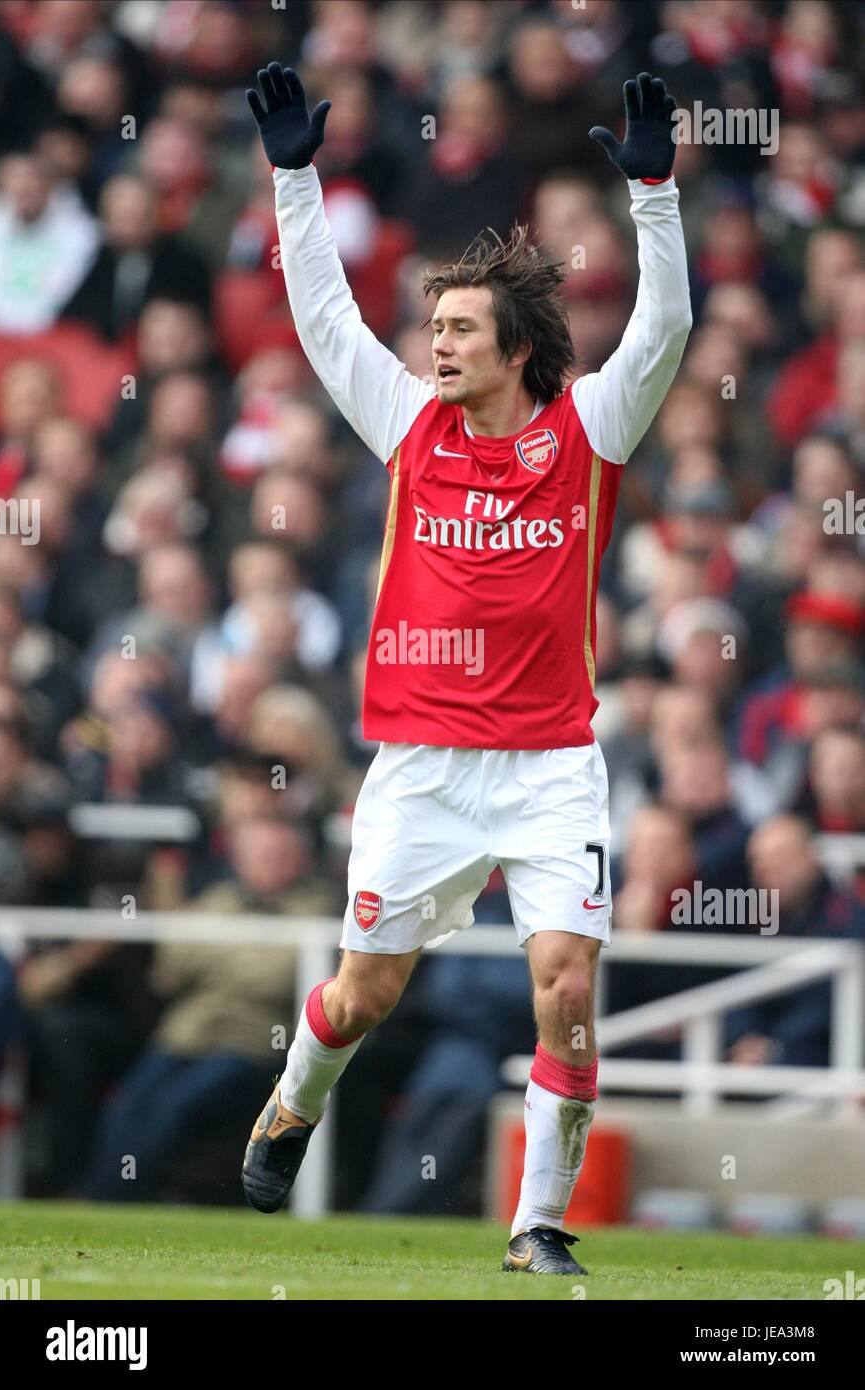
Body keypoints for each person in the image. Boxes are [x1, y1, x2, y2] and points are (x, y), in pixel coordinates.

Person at [240, 63, 691, 1276]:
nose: (431, 344)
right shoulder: (405, 426)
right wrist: (293, 176)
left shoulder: (589, 431)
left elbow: (665, 329)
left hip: (551, 764)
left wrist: (653, 191)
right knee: (360, 998)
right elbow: (322, 316)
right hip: (424, 766)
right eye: (431, 328)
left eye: (454, 331)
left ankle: (536, 1224)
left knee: (565, 985)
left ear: (512, 350)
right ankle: (292, 1102)